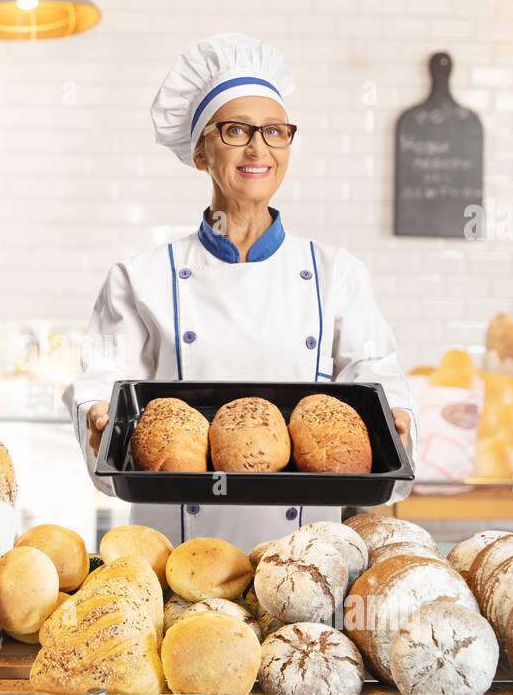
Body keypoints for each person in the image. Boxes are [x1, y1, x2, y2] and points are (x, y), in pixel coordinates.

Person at [64, 33, 417, 551]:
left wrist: (398, 417)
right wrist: (98, 417)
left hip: (307, 554)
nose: (259, 148)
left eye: (275, 132)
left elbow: (376, 377)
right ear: (201, 151)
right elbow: (103, 382)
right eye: (236, 131)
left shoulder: (335, 272)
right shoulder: (140, 276)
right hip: (174, 550)